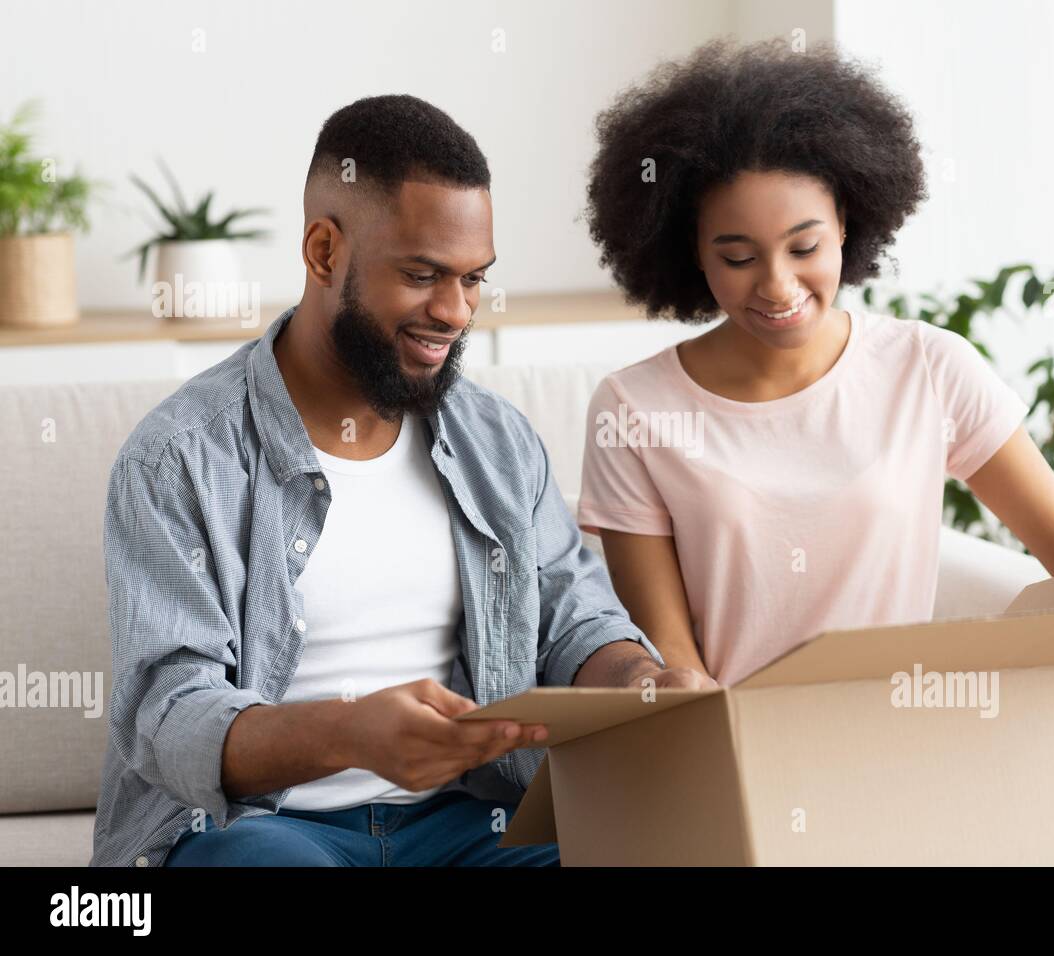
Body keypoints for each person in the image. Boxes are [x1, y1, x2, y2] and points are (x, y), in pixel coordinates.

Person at [91, 94, 709, 868]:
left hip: (468, 825)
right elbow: (169, 716)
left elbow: (573, 620)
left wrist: (643, 681)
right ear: (323, 253)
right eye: (423, 275)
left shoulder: (497, 439)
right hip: (267, 832)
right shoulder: (179, 457)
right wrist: (351, 732)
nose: (454, 312)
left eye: (474, 279)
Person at [578, 39, 1054, 687]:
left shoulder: (930, 368)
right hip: (727, 740)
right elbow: (669, 657)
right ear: (692, 250)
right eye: (738, 258)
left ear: (846, 222)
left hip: (897, 735)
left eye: (805, 246)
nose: (777, 285)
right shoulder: (634, 408)